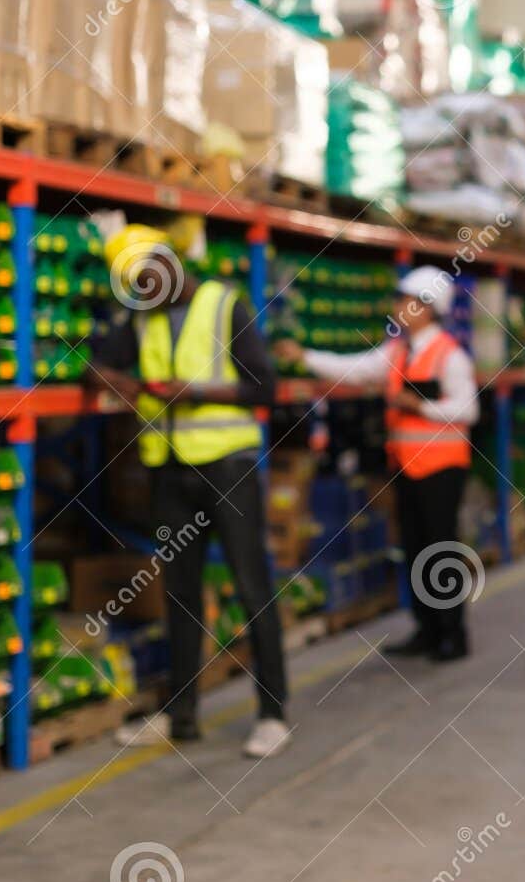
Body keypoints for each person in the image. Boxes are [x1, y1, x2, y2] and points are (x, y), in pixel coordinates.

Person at [88, 225, 292, 759]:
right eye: (136, 285)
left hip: (228, 468)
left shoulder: (225, 305)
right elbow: (96, 362)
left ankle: (272, 715)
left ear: (171, 263)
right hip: (170, 470)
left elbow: (265, 388)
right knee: (180, 594)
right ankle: (182, 716)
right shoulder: (142, 316)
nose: (145, 291)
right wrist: (115, 381)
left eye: (149, 278)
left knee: (252, 587)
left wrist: (197, 394)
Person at [274, 265, 480, 662]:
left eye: (406, 300)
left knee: (440, 550)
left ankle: (453, 634)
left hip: (442, 470)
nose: (398, 306)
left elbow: (468, 409)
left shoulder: (449, 355)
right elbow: (353, 368)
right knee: (414, 547)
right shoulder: (397, 352)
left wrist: (419, 406)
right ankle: (426, 629)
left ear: (427, 307)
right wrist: (306, 356)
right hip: (406, 466)